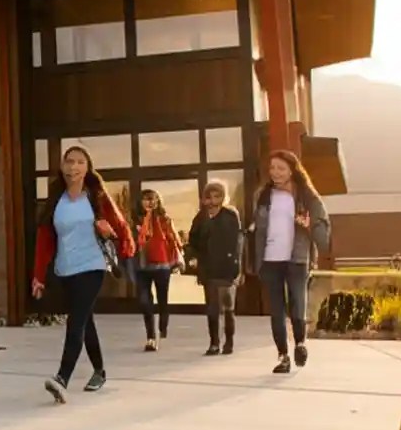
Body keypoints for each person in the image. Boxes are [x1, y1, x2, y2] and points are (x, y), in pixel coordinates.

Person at [32, 145, 135, 404]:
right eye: (69, 161)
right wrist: (38, 276)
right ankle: (99, 371)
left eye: (80, 162)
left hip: (92, 265)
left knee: (75, 321)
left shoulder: (97, 197)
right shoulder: (56, 200)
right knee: (85, 319)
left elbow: (122, 230)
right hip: (66, 268)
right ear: (63, 167)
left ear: (87, 167)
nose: (74, 166)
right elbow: (45, 241)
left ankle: (62, 378)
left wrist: (109, 233)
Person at [250, 150, 331, 374]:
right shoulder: (262, 195)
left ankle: (300, 343)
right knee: (276, 311)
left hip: (297, 258)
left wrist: (308, 225)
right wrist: (256, 261)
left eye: (281, 168)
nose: (275, 172)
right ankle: (283, 356)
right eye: (272, 168)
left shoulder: (306, 196)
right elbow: (258, 231)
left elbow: (322, 227)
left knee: (297, 305)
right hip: (270, 259)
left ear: (292, 171)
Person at [186, 180, 244, 356]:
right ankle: (214, 343)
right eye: (209, 197)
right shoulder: (201, 217)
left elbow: (238, 242)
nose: (212, 200)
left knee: (228, 306)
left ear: (223, 197)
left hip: (227, 267)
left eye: (217, 196)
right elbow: (192, 241)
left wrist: (238, 265)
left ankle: (229, 342)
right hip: (208, 267)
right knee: (212, 308)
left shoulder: (230, 215)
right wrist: (192, 257)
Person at [133, 189, 183, 352]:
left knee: (162, 299)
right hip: (142, 265)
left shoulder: (164, 219)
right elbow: (131, 241)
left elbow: (173, 239)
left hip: (162, 265)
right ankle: (151, 336)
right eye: (146, 199)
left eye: (153, 199)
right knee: (144, 301)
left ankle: (163, 324)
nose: (150, 202)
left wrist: (177, 258)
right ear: (140, 202)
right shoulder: (134, 220)